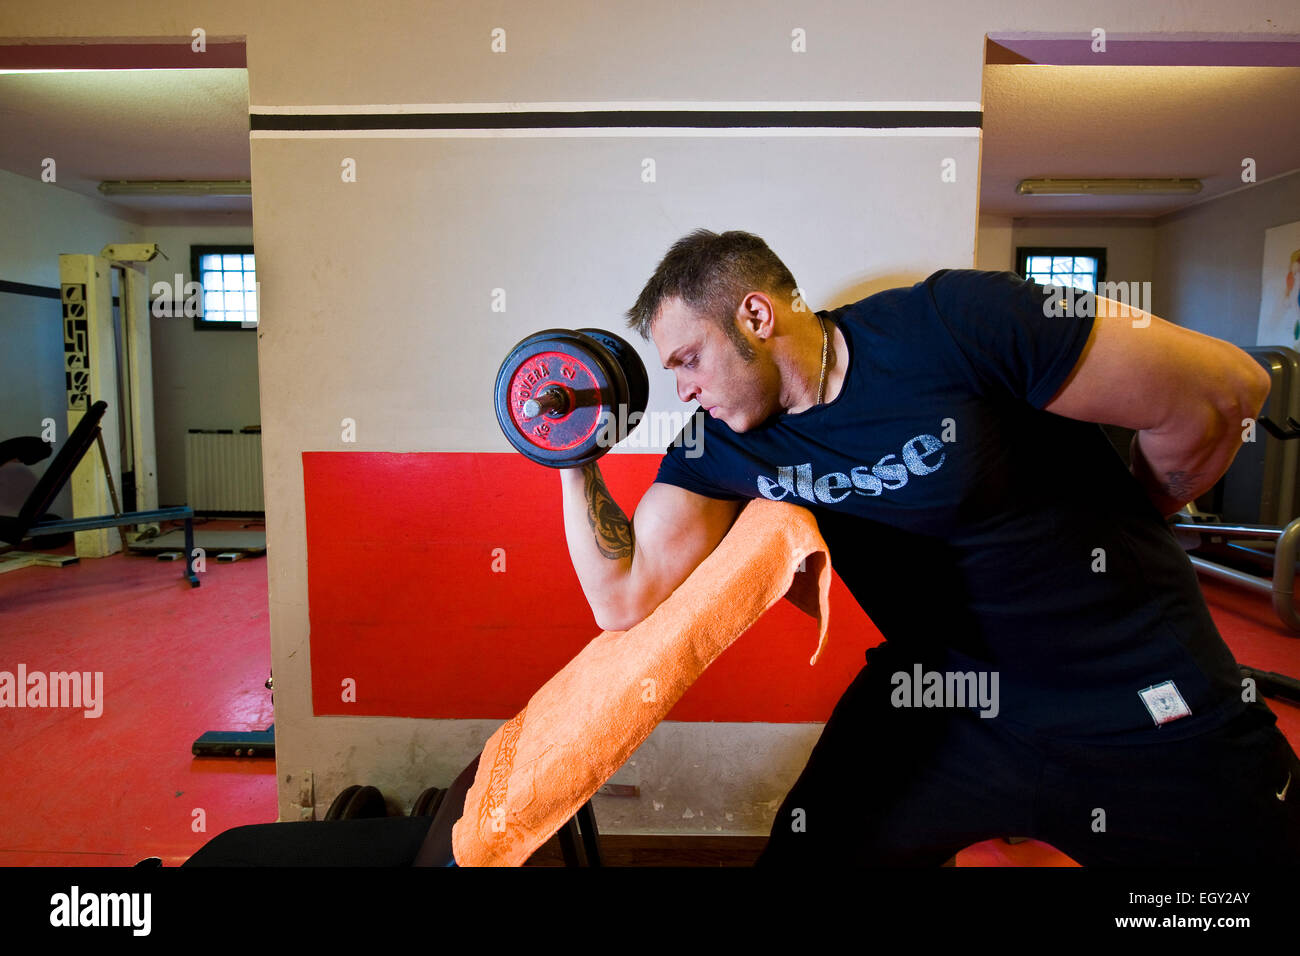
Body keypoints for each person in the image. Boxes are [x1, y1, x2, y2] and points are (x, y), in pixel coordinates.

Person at [558, 228, 1300, 866]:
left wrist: (1135, 518)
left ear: (754, 315)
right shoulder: (722, 443)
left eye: (687, 358)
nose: (681, 390)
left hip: (1136, 695)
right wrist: (569, 451)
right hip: (949, 702)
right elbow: (622, 598)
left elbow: (1225, 390)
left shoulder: (954, 322)